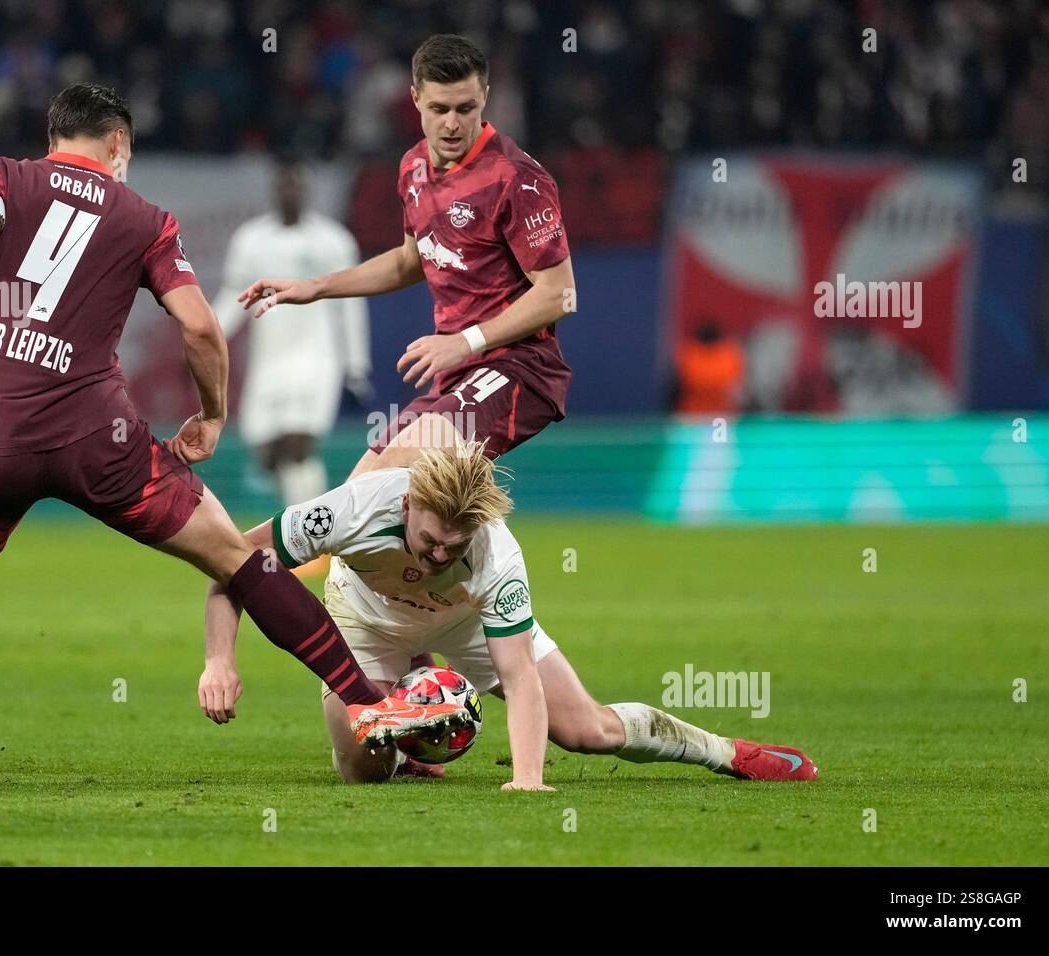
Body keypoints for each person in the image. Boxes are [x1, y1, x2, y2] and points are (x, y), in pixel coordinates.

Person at [0, 83, 470, 784]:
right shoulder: (146, 219)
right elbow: (197, 326)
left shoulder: (1, 179)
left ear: (53, 138)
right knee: (238, 558)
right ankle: (366, 703)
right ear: (119, 146)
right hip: (97, 437)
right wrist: (213, 412)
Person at [199, 441, 818, 789]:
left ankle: (725, 751)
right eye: (431, 540)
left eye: (454, 548)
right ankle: (416, 698)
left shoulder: (497, 553)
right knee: (365, 771)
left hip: (463, 625)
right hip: (366, 622)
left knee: (586, 730)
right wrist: (220, 660)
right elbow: (233, 567)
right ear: (409, 502)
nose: (441, 555)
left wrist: (527, 778)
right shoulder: (351, 509)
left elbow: (519, 676)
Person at [236, 34, 576, 479]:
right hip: (456, 375)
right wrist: (315, 287)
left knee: (395, 472)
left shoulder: (517, 178)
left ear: (485, 97)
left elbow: (559, 294)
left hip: (518, 368)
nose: (452, 124)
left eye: (466, 108)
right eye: (439, 109)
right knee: (362, 488)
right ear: (415, 99)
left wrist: (464, 341)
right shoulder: (413, 167)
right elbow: (407, 262)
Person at [212, 160, 372, 506]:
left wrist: (356, 365)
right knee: (268, 453)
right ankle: (305, 517)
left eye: (297, 185)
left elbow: (350, 306)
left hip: (316, 356)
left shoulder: (333, 241)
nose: (290, 192)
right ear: (275, 190)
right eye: (284, 185)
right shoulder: (251, 239)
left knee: (298, 445)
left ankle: (311, 529)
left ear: (307, 191)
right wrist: (208, 338)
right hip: (268, 359)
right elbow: (234, 295)